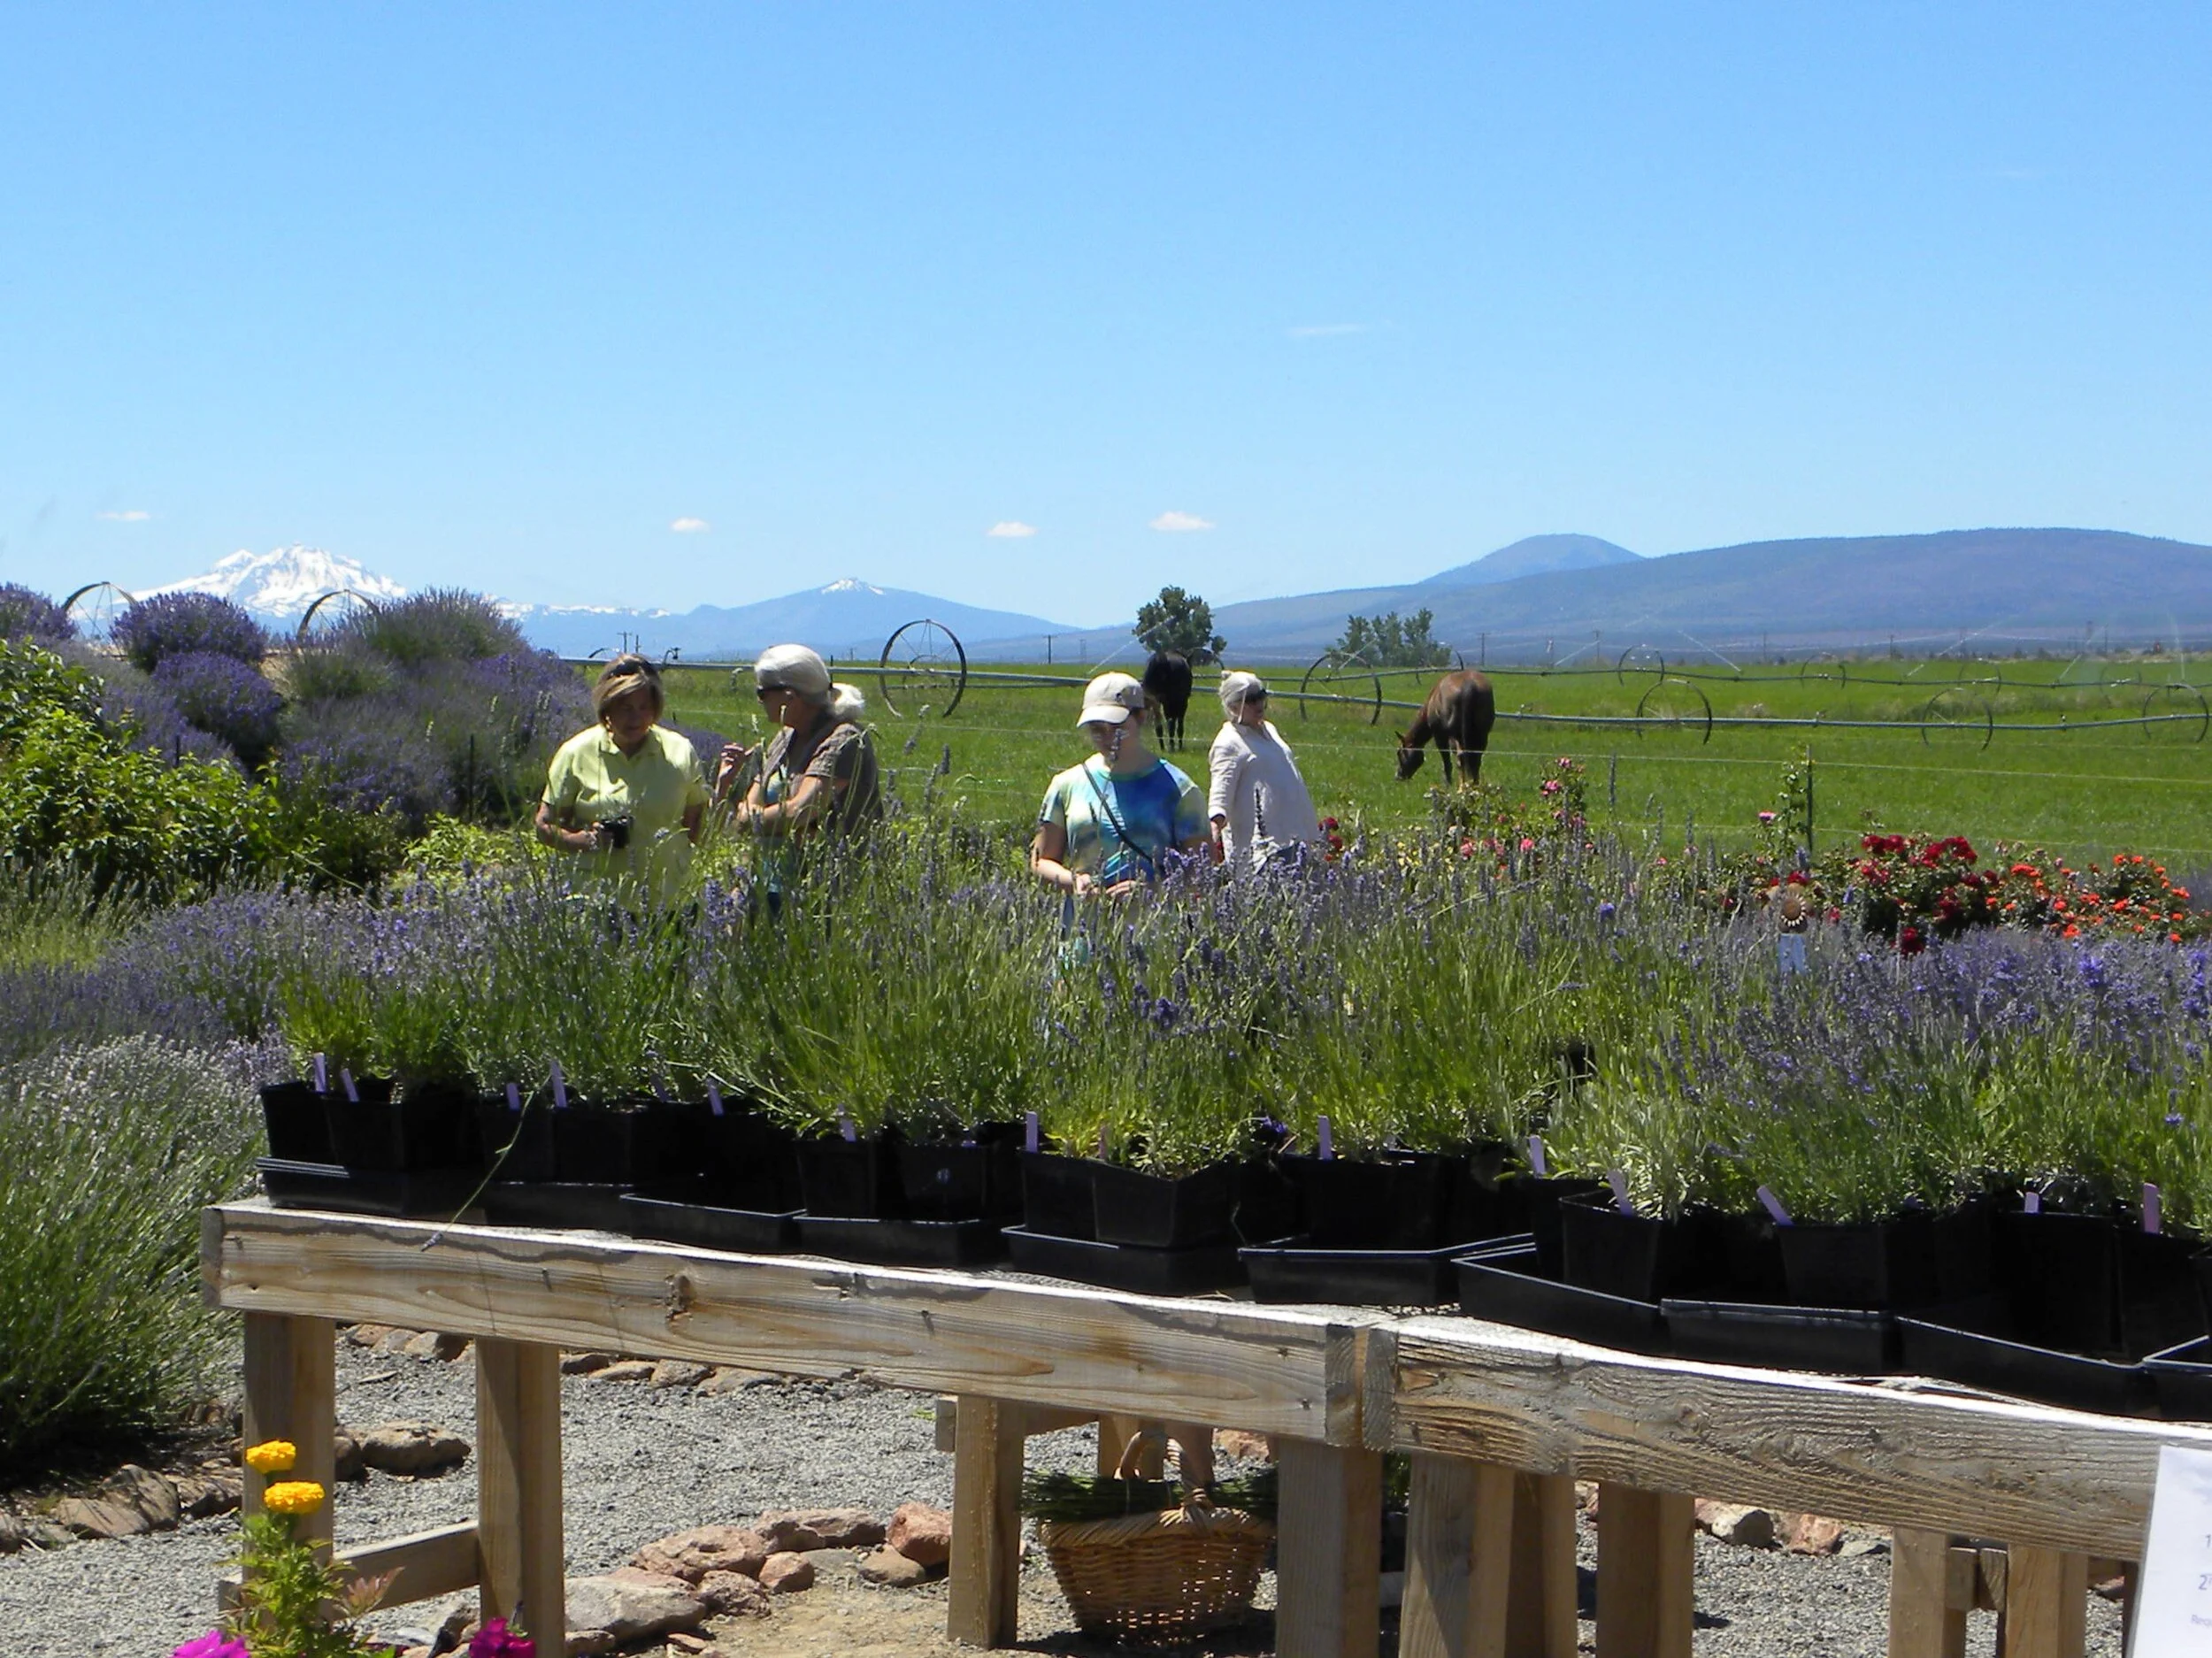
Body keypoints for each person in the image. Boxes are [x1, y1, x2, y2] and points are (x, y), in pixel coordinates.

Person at [536, 654, 709, 902]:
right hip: (597, 901)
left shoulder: (680, 751)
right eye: (625, 708)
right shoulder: (576, 752)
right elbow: (545, 825)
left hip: (667, 900)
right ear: (607, 708)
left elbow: (695, 824)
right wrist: (581, 841)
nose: (636, 718)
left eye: (644, 708)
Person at [1031, 672, 1209, 897]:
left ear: (1141, 717)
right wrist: (1073, 881)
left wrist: (1153, 890)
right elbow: (1041, 861)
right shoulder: (1066, 784)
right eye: (1096, 729)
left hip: (1157, 927)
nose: (1106, 738)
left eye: (1117, 727)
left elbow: (1203, 874)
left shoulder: (1180, 789)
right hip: (1085, 924)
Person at [715, 643, 881, 841]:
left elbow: (800, 811)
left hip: (828, 868)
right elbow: (752, 802)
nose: (760, 702)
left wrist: (750, 818)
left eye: (762, 694)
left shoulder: (845, 741)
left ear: (789, 696)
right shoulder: (785, 737)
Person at [1206, 670, 1322, 871]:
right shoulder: (1228, 743)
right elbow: (1220, 794)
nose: (1259, 704)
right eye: (1250, 699)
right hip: (1264, 851)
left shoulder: (1270, 729)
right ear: (1233, 707)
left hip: (1296, 836)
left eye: (1261, 695)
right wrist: (1214, 830)